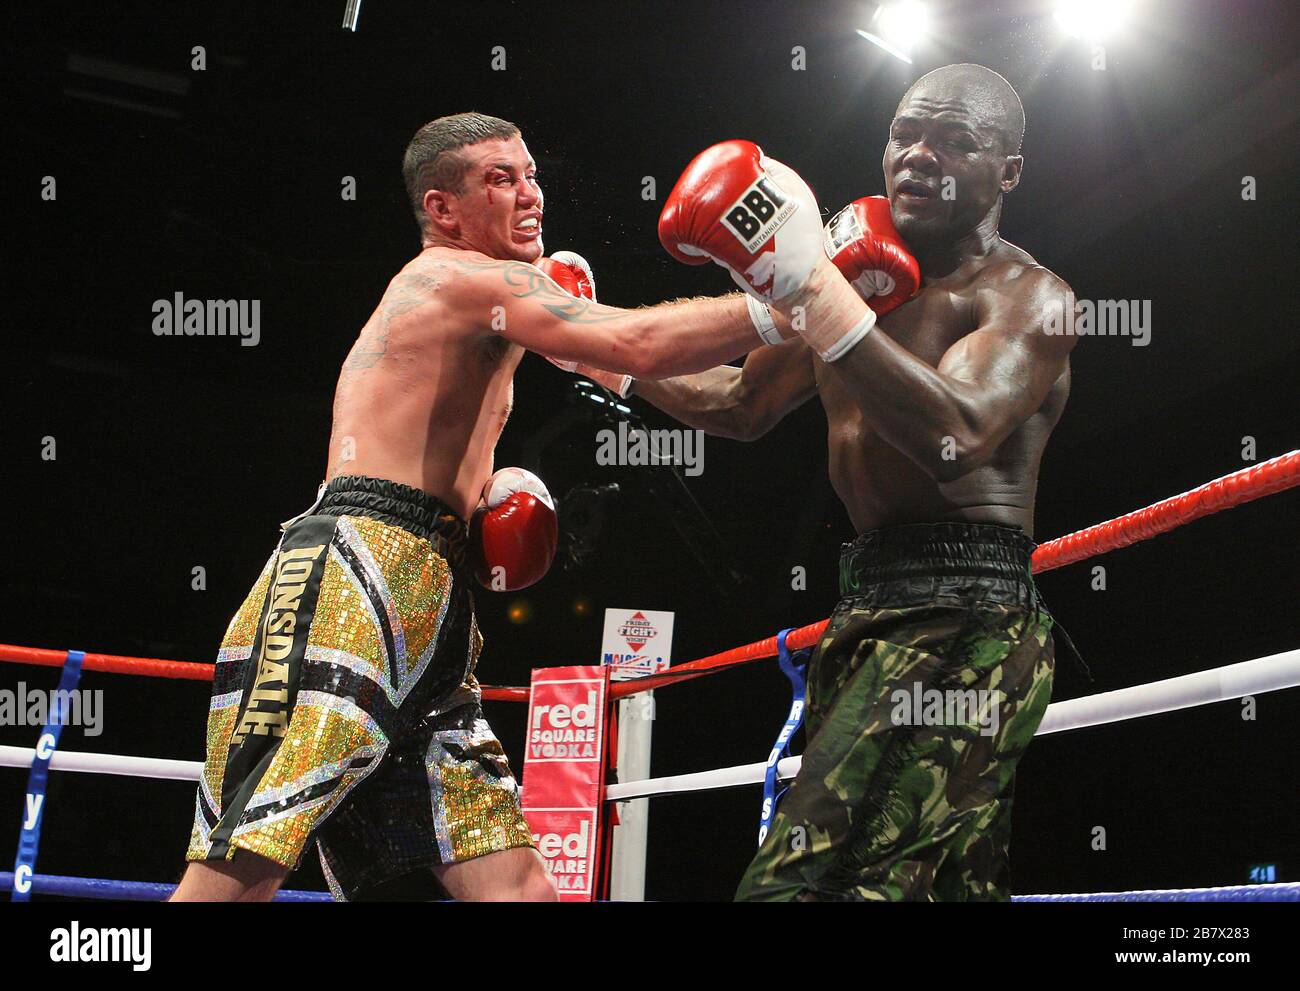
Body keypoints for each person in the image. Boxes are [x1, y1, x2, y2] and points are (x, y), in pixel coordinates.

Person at [172, 111, 864, 901]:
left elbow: (724, 400)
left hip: (430, 609)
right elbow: (637, 341)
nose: (531, 194)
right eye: (502, 179)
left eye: (531, 174)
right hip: (348, 576)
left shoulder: (507, 302)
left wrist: (822, 321)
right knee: (242, 872)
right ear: (443, 209)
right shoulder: (455, 278)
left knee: (519, 886)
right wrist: (799, 290)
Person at [639, 65, 1079, 900]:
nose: (919, 156)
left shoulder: (1031, 297)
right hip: (868, 597)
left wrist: (816, 294)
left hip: (965, 615)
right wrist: (605, 360)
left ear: (1007, 172)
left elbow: (956, 436)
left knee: (804, 884)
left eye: (955, 142)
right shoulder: (853, 282)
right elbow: (741, 401)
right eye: (905, 135)